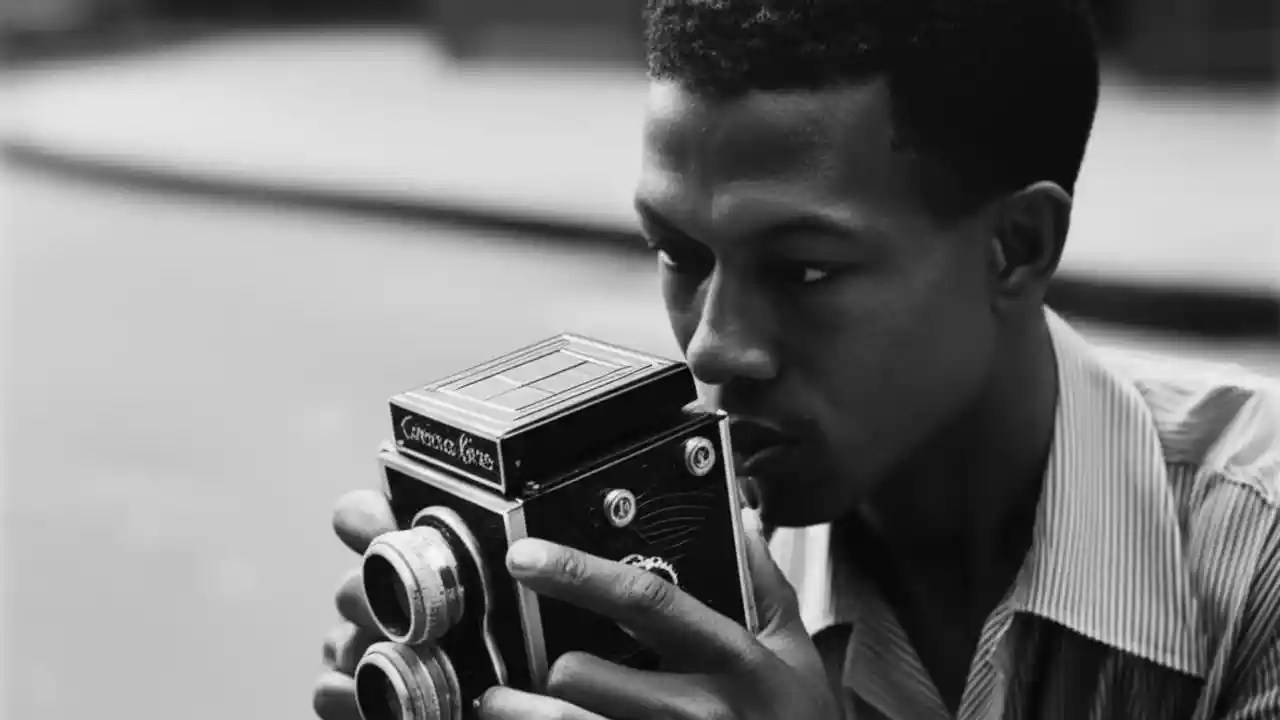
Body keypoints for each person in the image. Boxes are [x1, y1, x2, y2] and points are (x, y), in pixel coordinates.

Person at [313, 1, 1280, 718]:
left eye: (806, 270)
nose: (710, 345)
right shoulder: (657, 576)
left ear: (1017, 248)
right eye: (679, 255)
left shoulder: (1255, 556)